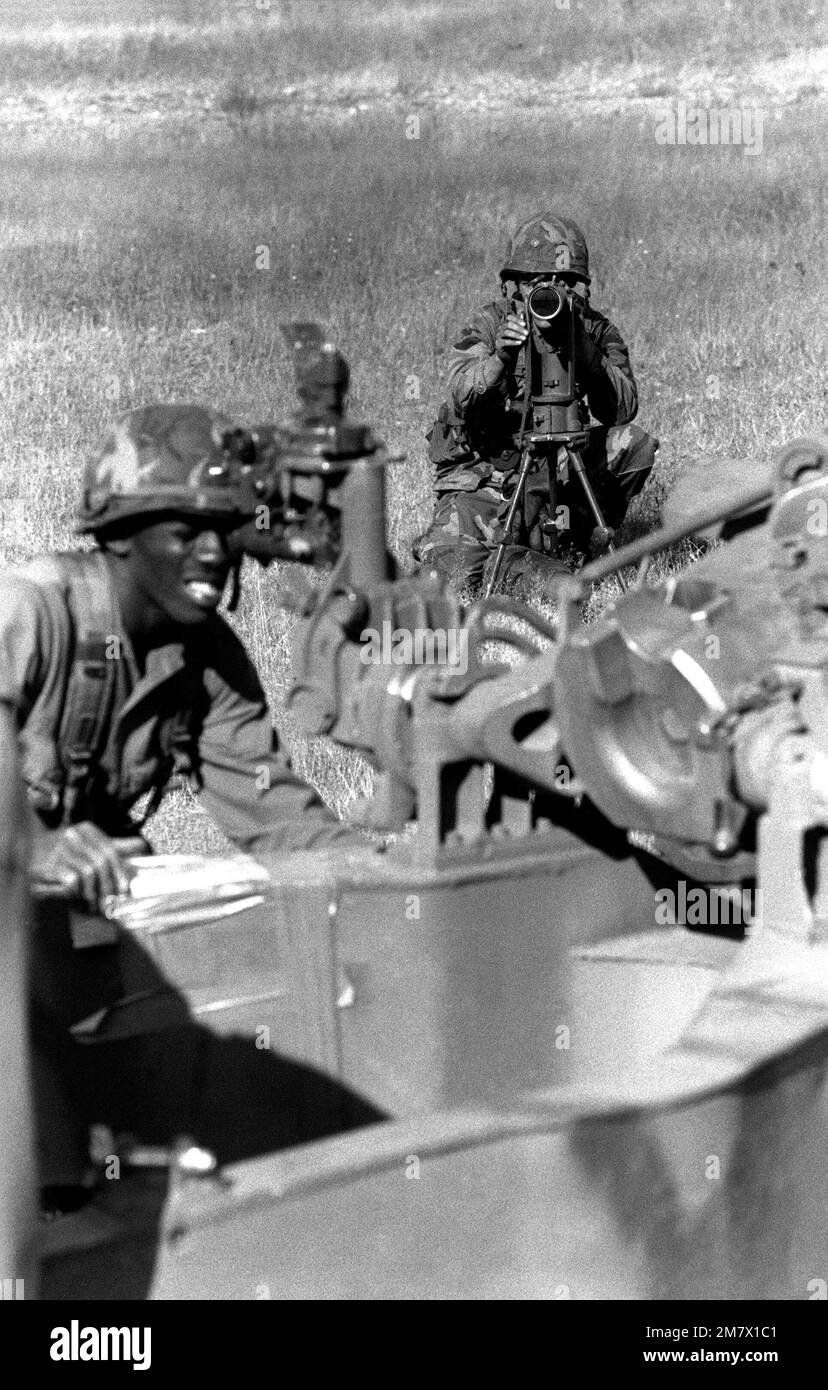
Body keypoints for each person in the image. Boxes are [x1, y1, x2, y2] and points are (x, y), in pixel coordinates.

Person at [0, 404, 380, 1214]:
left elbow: (280, 820)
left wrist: (383, 881)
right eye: (183, 531)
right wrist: (32, 842)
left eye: (223, 528)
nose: (212, 551)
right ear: (122, 538)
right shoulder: (32, 610)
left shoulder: (203, 658)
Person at [413, 212, 659, 597]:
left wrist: (586, 351)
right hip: (492, 476)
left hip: (560, 467)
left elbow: (624, 408)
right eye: (534, 282)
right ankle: (533, 563)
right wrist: (500, 359)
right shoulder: (492, 323)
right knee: (452, 572)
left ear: (578, 286)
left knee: (634, 445)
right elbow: (459, 393)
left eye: (561, 282)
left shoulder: (592, 328)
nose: (548, 293)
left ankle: (571, 541)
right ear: (513, 286)